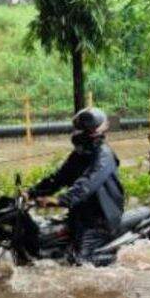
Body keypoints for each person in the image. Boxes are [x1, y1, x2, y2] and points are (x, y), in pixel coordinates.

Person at [27, 107, 124, 266]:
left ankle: (116, 263)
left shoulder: (103, 154)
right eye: (77, 128)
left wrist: (61, 200)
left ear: (93, 131)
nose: (77, 133)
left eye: (82, 129)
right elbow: (59, 177)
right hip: (81, 214)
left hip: (101, 218)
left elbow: (88, 182)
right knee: (48, 240)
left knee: (81, 263)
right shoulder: (80, 154)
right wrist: (31, 193)